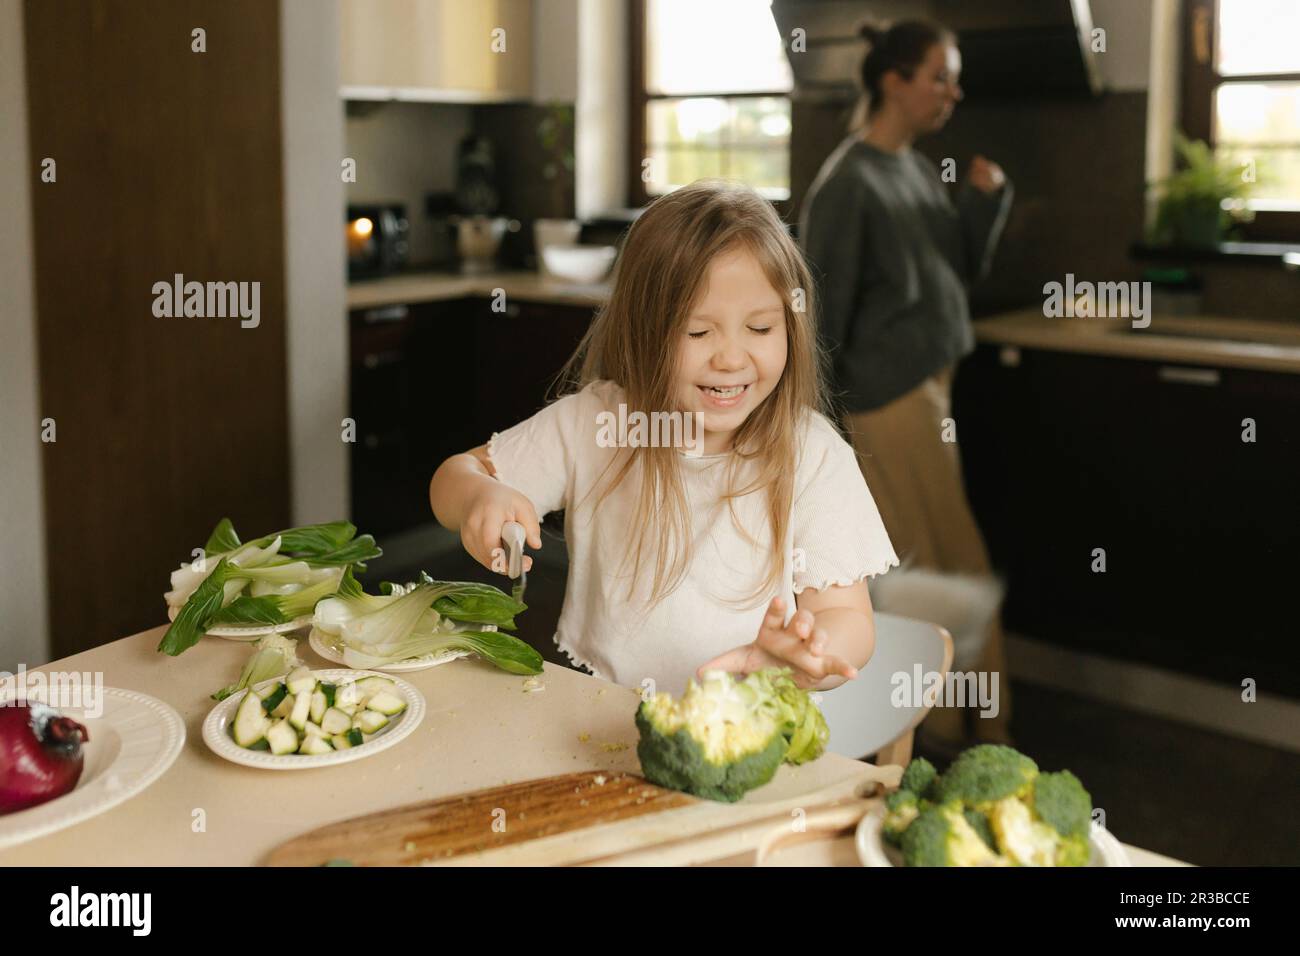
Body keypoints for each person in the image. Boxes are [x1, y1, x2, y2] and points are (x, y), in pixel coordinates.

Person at [430, 179, 898, 695]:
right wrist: (479, 494)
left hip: (749, 722)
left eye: (761, 329)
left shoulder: (811, 453)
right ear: (642, 331)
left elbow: (846, 617)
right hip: (607, 709)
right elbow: (454, 477)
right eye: (699, 333)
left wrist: (812, 651)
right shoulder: (596, 425)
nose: (731, 357)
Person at [798, 19, 1015, 749]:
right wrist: (816, 432)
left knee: (946, 560)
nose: (954, 92)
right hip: (890, 406)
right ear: (894, 81)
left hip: (932, 394)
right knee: (943, 563)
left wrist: (985, 202)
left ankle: (957, 726)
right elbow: (817, 313)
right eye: (940, 76)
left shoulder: (916, 169)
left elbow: (958, 266)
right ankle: (949, 732)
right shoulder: (848, 184)